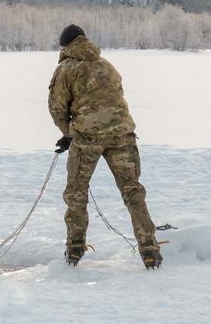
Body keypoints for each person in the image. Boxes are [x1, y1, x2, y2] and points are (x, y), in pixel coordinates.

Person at [48, 24, 162, 269]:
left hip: (87, 138)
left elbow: (57, 108)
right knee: (133, 191)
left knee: (76, 193)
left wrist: (68, 133)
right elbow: (116, 94)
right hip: (122, 133)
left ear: (65, 46)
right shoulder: (106, 65)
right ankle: (150, 249)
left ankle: (75, 251)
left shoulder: (65, 69)